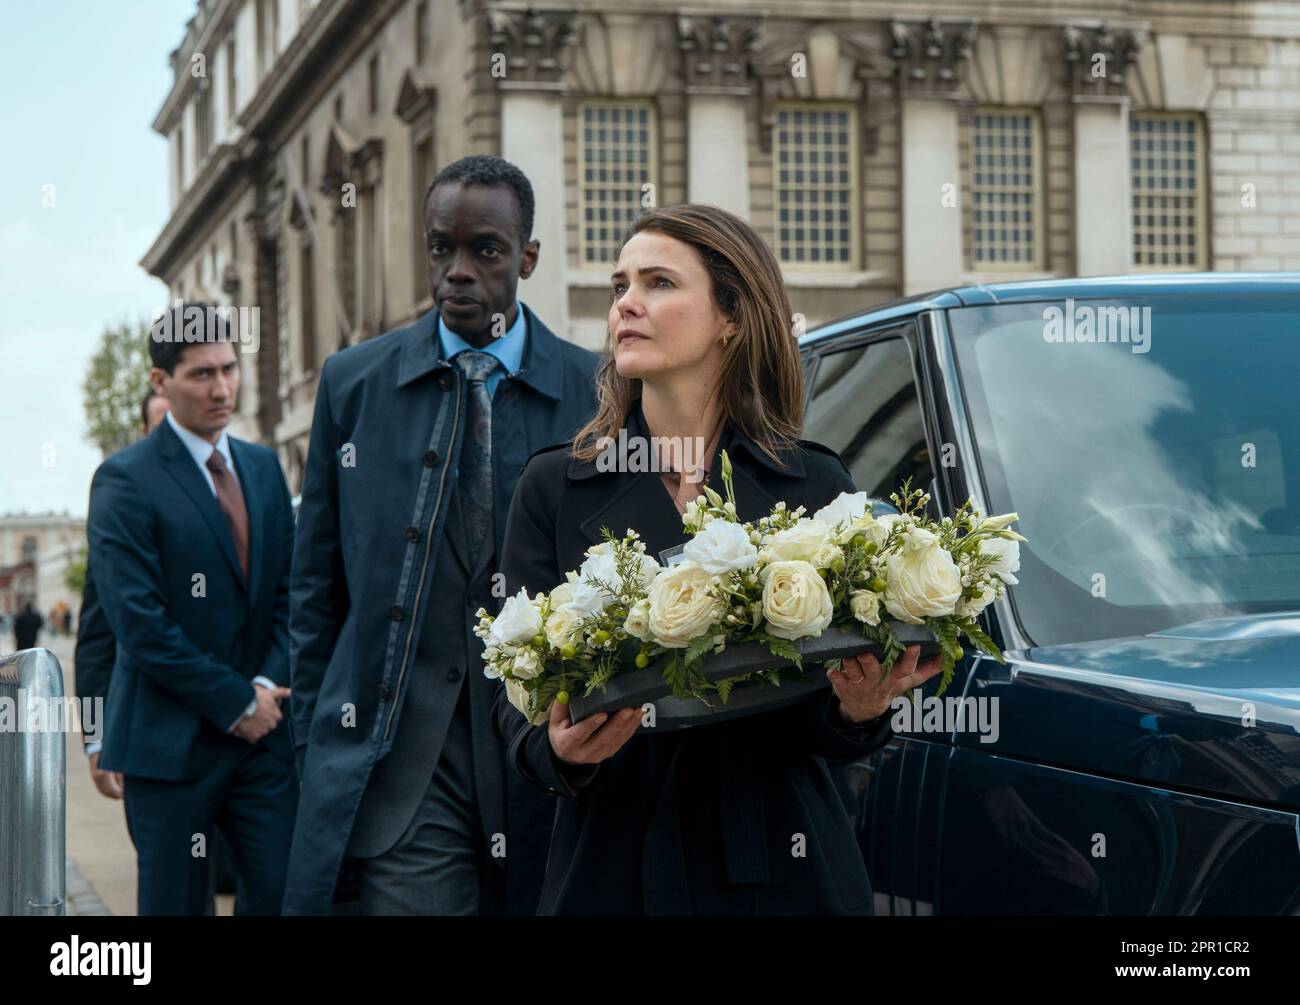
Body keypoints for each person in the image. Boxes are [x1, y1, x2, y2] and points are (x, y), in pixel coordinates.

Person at [494, 204, 945, 915]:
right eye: (619, 287)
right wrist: (559, 750)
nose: (626, 305)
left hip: (785, 867)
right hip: (614, 869)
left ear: (731, 316)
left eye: (659, 283)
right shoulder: (553, 486)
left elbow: (828, 721)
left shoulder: (813, 483)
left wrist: (859, 710)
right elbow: (512, 698)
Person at [283, 155, 600, 916]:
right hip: (403, 772)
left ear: (526, 258)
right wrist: (316, 748)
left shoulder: (599, 391)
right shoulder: (353, 385)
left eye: (484, 251)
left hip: (545, 763)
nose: (458, 271)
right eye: (440, 248)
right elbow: (314, 591)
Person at [86, 304, 298, 915]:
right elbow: (139, 626)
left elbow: (290, 596)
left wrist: (262, 687)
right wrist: (235, 702)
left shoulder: (261, 468)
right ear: (161, 382)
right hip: (168, 748)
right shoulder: (124, 481)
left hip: (264, 743)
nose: (223, 388)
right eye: (202, 374)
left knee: (286, 896)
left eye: (230, 369)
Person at [79, 387, 171, 800]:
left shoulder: (244, 484)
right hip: (153, 741)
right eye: (161, 426)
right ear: (144, 431)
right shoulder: (120, 512)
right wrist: (97, 738)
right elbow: (96, 641)